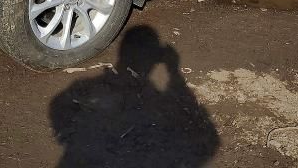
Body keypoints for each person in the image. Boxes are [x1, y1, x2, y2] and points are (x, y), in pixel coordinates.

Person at [49, 25, 219, 168]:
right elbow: (207, 142)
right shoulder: (150, 97)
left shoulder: (87, 86)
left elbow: (59, 106)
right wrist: (173, 71)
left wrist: (66, 137)